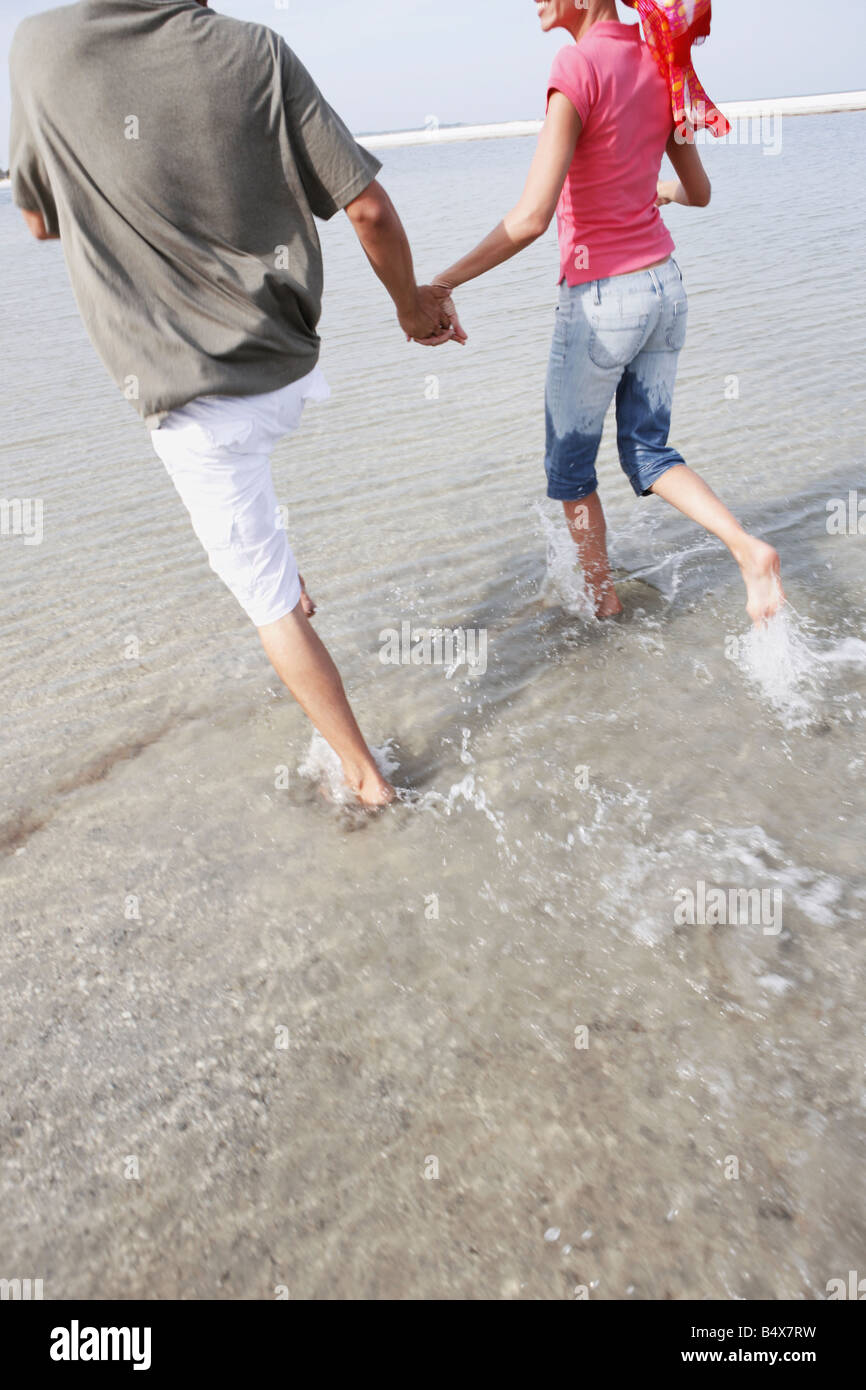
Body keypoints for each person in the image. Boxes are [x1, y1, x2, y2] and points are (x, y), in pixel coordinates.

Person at [9, 0, 464, 808]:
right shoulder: (258, 50)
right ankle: (288, 580)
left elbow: (40, 220)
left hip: (195, 404)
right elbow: (368, 208)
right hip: (283, 363)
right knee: (260, 544)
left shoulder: (38, 44)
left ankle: (367, 784)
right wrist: (412, 308)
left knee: (266, 606)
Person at [430, 0, 784, 624]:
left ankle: (602, 608)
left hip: (602, 303)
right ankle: (748, 550)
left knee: (569, 472)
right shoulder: (658, 57)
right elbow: (698, 193)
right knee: (648, 453)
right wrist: (655, 191)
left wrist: (442, 283)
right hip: (665, 290)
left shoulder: (575, 66)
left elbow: (531, 218)